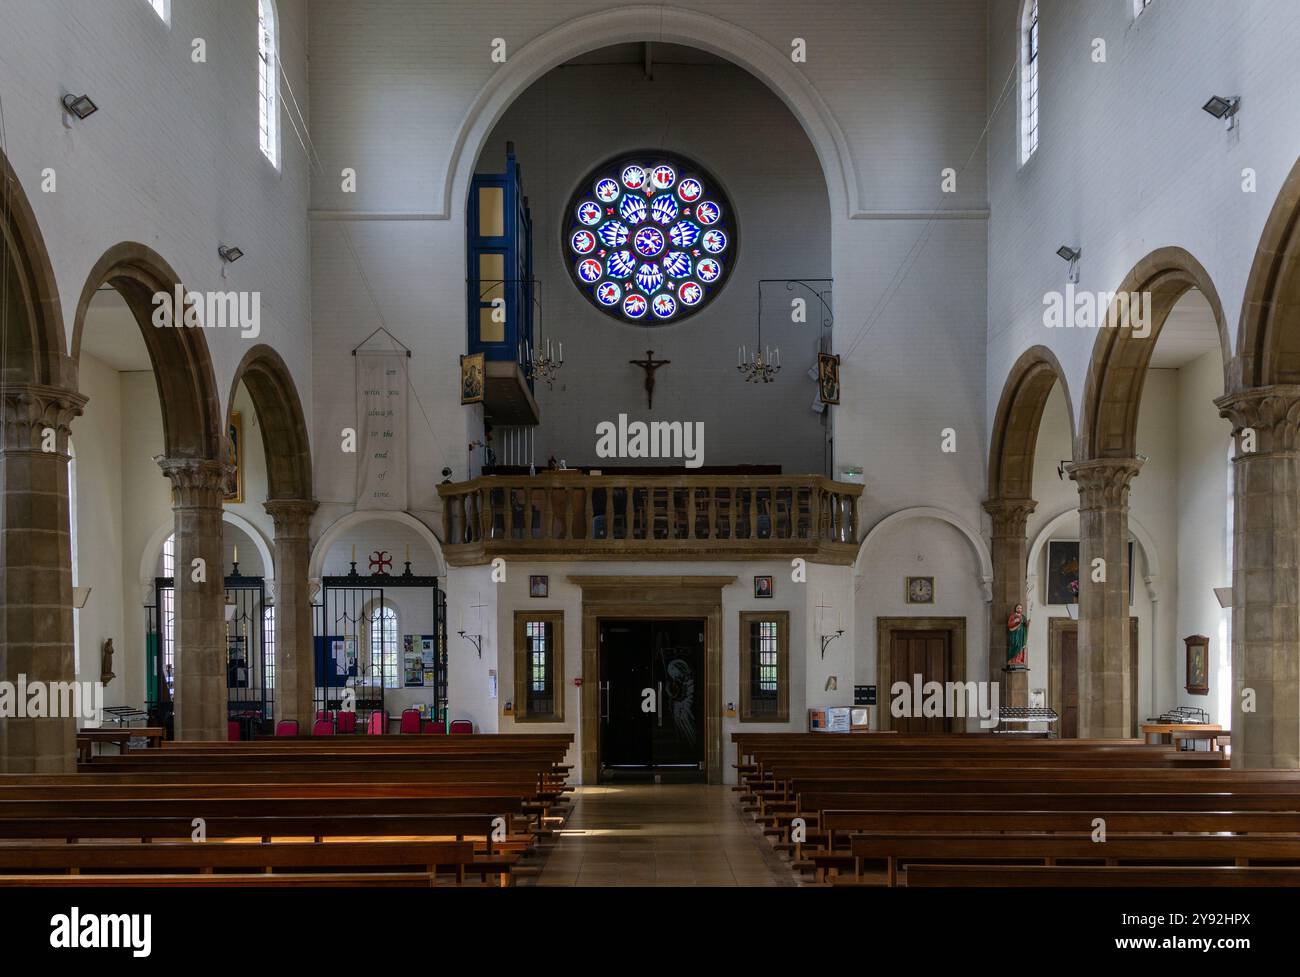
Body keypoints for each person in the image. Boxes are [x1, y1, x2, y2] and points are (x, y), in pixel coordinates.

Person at [1006, 603, 1029, 669]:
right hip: (1014, 634)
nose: (1019, 609)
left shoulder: (1023, 617)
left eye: (1021, 608)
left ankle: (1019, 660)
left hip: (1021, 635)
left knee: (1020, 646)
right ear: (1015, 609)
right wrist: (1015, 620)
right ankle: (1013, 660)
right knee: (1015, 645)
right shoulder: (1012, 616)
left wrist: (1028, 623)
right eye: (1018, 608)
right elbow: (1009, 624)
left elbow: (1025, 625)